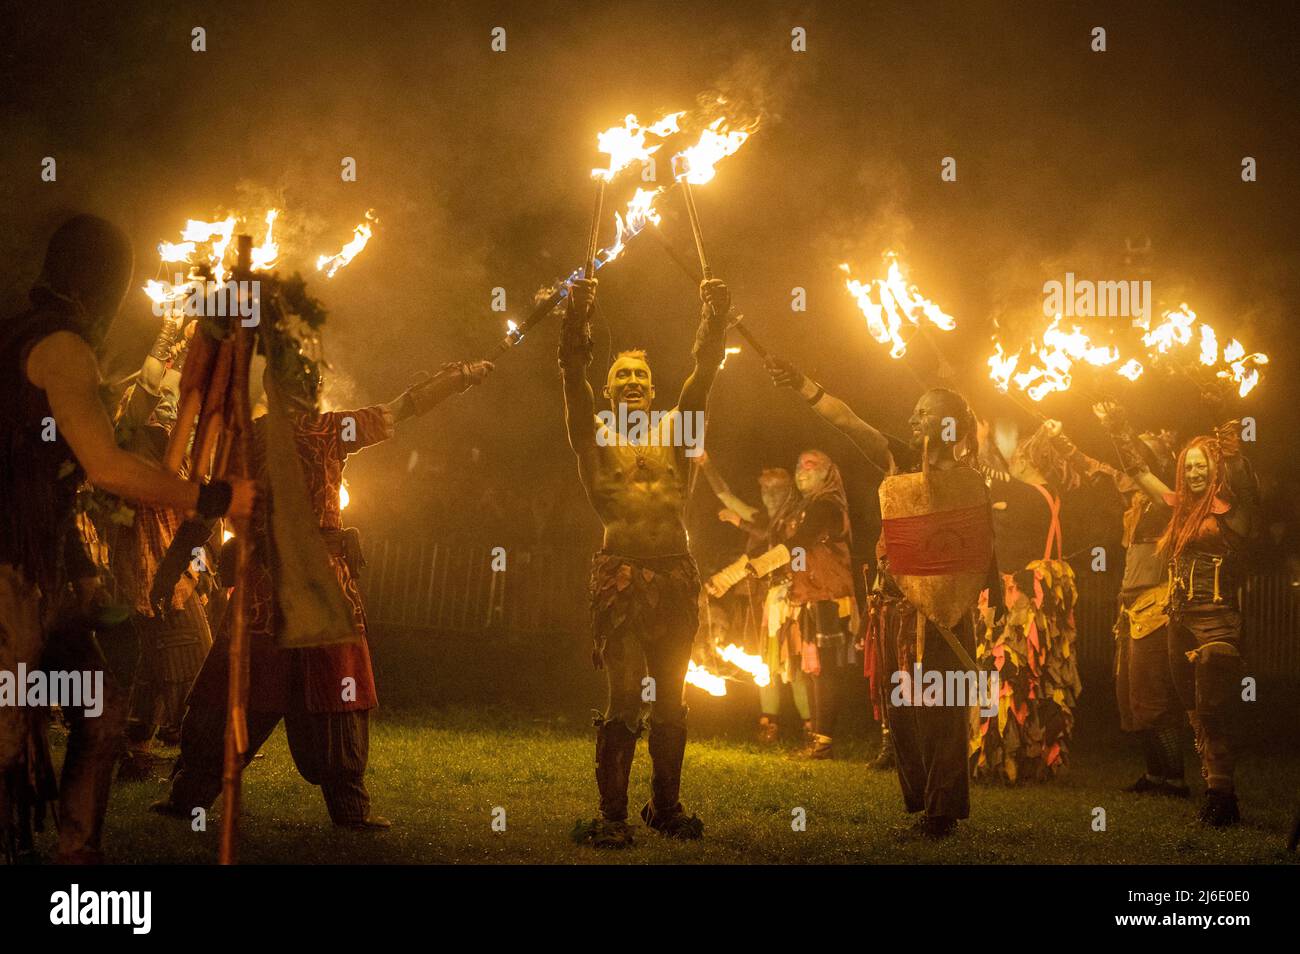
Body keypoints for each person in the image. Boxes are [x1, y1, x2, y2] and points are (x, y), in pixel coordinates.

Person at [0, 214, 254, 863]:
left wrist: (78, 560)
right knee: (7, 731)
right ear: (100, 282)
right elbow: (104, 464)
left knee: (100, 690)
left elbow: (42, 467)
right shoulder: (61, 347)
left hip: (39, 564)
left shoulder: (21, 337)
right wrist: (217, 497)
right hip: (10, 571)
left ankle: (77, 857)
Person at [153, 352, 492, 829]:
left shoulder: (325, 430)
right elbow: (210, 507)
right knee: (238, 695)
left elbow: (400, 408)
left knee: (333, 695)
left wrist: (455, 376)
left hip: (317, 593)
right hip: (269, 596)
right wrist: (172, 568)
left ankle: (348, 809)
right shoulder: (252, 441)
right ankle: (190, 797)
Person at [767, 356, 992, 837]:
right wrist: (805, 384)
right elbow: (849, 421)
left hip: (941, 612)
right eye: (915, 410)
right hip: (894, 607)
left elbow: (972, 557)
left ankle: (942, 813)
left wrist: (948, 604)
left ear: (950, 424)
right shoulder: (901, 461)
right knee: (904, 711)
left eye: (925, 413)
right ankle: (923, 804)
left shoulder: (971, 481)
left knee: (940, 711)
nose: (913, 420)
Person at [563, 275, 729, 848]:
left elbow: (703, 376)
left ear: (653, 390)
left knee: (672, 699)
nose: (632, 382)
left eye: (640, 376)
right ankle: (612, 816)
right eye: (622, 376)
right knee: (628, 694)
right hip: (621, 576)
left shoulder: (677, 433)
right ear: (610, 391)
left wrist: (715, 319)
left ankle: (666, 806)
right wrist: (575, 319)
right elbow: (569, 377)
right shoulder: (594, 436)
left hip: (675, 574)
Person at [1102, 410, 1257, 825]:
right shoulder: (1177, 509)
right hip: (1179, 623)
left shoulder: (1233, 513)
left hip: (1218, 622)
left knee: (1214, 713)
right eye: (1187, 466)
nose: (1192, 473)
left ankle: (1223, 798)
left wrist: (1233, 450)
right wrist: (1117, 427)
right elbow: (1137, 471)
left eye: (1201, 466)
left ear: (1215, 469)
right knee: (1194, 717)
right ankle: (1215, 791)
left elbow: (1243, 482)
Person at [102, 313, 215, 780]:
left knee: (162, 659)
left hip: (170, 555)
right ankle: (183, 752)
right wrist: (170, 327)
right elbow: (151, 380)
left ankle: (142, 748)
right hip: (145, 555)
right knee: (186, 652)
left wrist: (201, 564)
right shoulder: (130, 430)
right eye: (161, 400)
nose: (168, 403)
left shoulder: (175, 440)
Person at [709, 451, 855, 759]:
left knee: (822, 669)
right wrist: (731, 574)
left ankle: (822, 739)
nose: (802, 472)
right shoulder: (805, 508)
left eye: (811, 467)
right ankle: (817, 738)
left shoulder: (827, 506)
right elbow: (777, 539)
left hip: (829, 596)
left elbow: (796, 543)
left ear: (827, 474)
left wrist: (752, 567)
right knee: (812, 668)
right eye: (799, 466)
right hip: (807, 596)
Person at [1092, 402, 1186, 797]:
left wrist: (1118, 427)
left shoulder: (1171, 503)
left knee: (1153, 696)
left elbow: (1135, 466)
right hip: (1132, 608)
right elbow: (1109, 467)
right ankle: (1155, 775)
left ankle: (1175, 779)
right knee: (1131, 697)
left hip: (1157, 607)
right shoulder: (1141, 507)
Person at [699, 458, 809, 744]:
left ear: (788, 491)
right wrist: (706, 464)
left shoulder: (796, 520)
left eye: (776, 489)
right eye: (765, 489)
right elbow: (727, 497)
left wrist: (739, 523)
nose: (769, 494)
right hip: (765, 599)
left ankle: (813, 729)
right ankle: (768, 724)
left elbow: (767, 545)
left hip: (794, 599)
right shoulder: (762, 518)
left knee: (794, 663)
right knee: (767, 661)